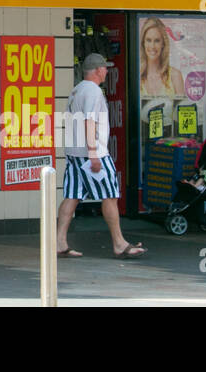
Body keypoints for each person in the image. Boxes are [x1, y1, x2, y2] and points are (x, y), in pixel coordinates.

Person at [57, 53, 146, 259]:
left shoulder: (76, 90)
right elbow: (90, 121)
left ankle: (60, 242)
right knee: (111, 195)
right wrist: (94, 154)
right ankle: (119, 243)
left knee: (72, 196)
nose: (107, 71)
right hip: (92, 154)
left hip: (74, 152)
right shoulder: (94, 91)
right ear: (97, 70)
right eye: (105, 68)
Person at [138, 17, 185, 98]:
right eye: (148, 40)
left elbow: (182, 109)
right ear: (143, 43)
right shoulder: (137, 76)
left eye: (157, 41)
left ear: (163, 44)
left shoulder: (175, 76)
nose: (152, 46)